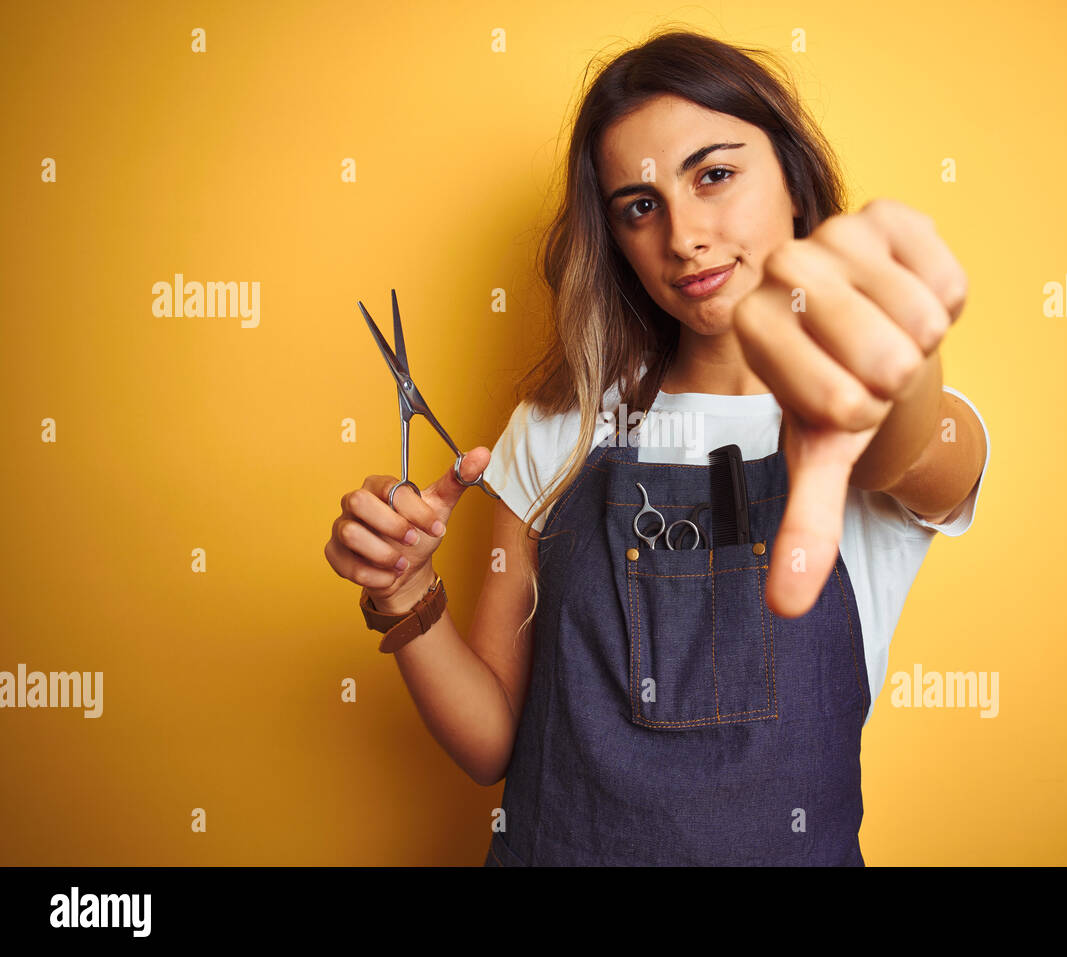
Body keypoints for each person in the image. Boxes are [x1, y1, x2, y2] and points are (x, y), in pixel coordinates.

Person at [324, 28, 990, 866]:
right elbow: (491, 743)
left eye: (714, 175)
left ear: (794, 178)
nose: (683, 236)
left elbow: (913, 447)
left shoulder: (878, 420)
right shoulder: (553, 429)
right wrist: (405, 592)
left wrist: (896, 350)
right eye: (640, 206)